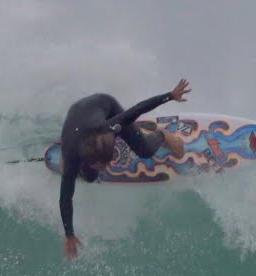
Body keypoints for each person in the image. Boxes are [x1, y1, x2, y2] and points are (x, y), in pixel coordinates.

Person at [58, 78, 192, 259]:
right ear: (88, 160)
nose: (109, 166)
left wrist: (170, 95)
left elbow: (138, 108)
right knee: (89, 178)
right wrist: (69, 235)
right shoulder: (72, 157)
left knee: (144, 150)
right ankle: (133, 132)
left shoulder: (109, 126)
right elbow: (65, 198)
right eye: (104, 164)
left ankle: (161, 134)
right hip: (76, 120)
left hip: (104, 105)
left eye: (109, 160)